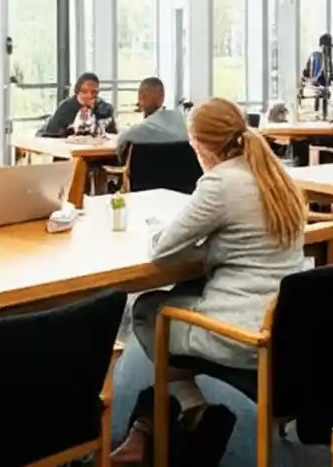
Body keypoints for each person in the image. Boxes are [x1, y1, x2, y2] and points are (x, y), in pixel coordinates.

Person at [111, 98, 307, 463]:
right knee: (186, 291)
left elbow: (162, 251)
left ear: (201, 145)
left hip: (244, 334)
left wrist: (163, 232)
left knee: (147, 310)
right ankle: (178, 410)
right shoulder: (274, 174)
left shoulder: (219, 183)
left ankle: (191, 402)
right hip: (288, 323)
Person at [115, 76, 188, 158]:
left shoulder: (137, 132)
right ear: (163, 98)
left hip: (144, 170)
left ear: (141, 96)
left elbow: (120, 148)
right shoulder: (186, 127)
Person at [39, 72, 117, 137]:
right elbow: (52, 134)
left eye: (94, 92)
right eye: (84, 91)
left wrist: (95, 111)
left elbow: (111, 134)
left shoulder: (105, 108)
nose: (89, 95)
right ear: (77, 91)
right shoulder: (65, 108)